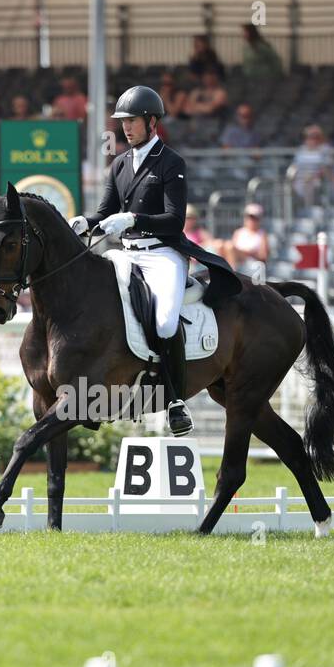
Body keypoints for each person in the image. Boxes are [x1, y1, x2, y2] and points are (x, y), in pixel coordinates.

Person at [67, 85, 240, 437]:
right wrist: (88, 222)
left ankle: (176, 400)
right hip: (126, 255)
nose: (125, 128)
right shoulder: (118, 164)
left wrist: (133, 220)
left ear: (151, 122)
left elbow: (174, 220)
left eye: (131, 121)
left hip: (163, 256)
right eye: (122, 122)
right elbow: (105, 211)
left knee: (163, 324)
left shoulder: (171, 163)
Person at [228, 203, 270, 273]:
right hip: (239, 262)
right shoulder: (238, 232)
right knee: (221, 246)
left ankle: (232, 273)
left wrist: (248, 253)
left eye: (254, 218)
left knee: (229, 247)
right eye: (249, 217)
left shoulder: (262, 234)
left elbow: (263, 257)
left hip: (251, 264)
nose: (251, 220)